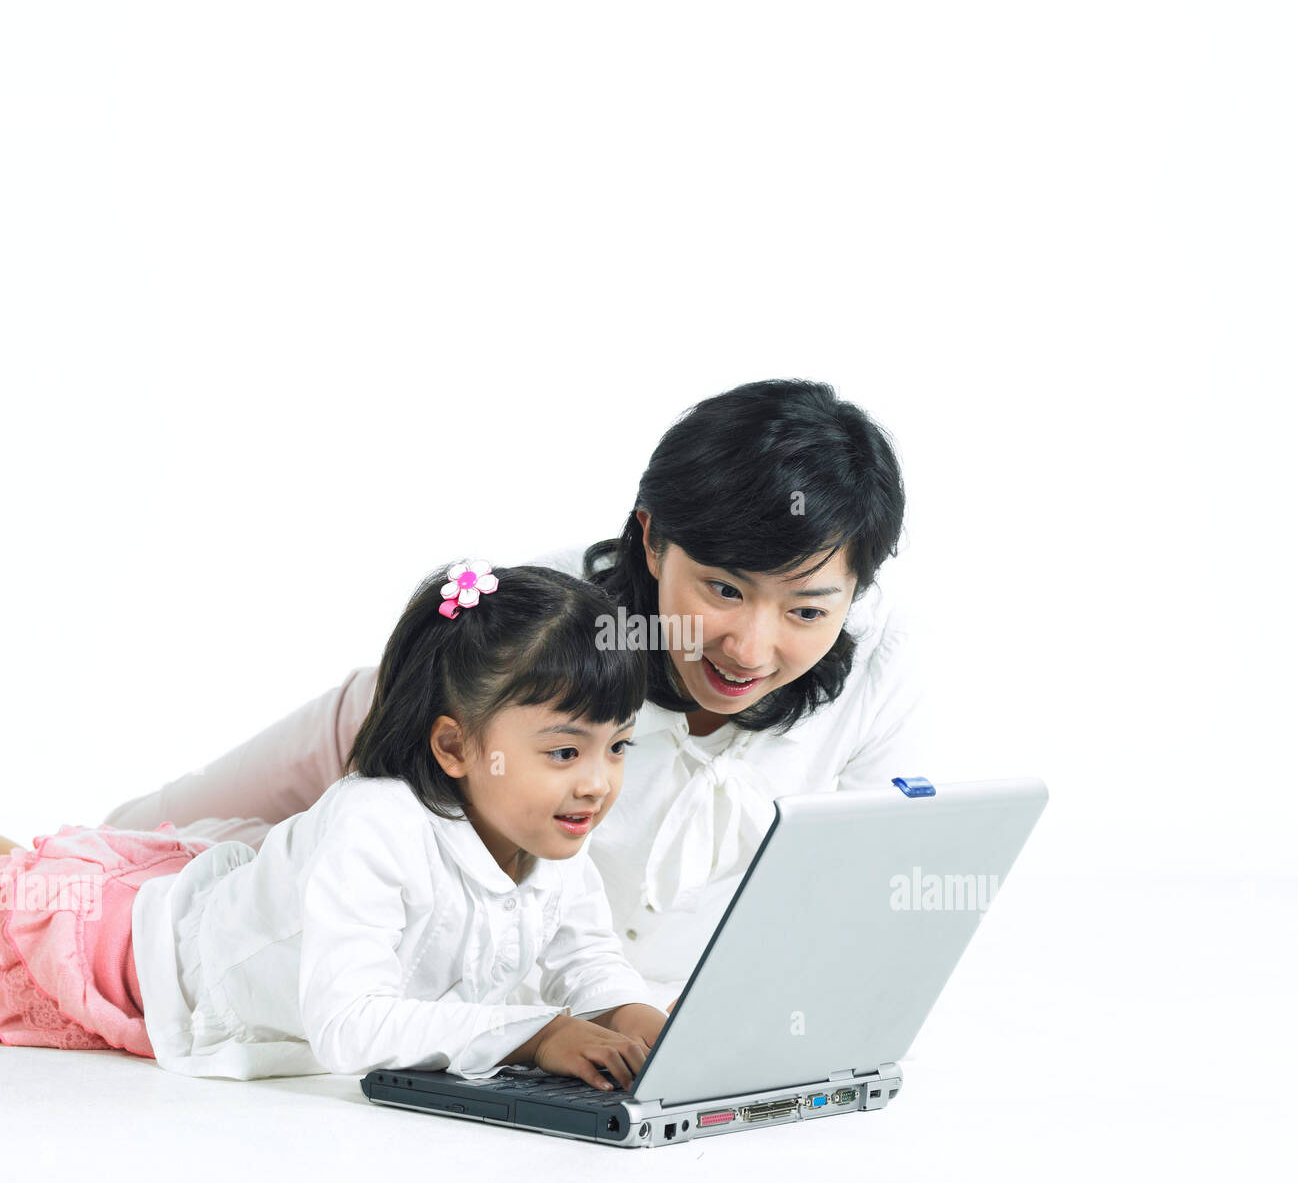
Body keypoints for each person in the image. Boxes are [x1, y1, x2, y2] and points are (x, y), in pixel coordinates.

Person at [97, 378, 925, 1000]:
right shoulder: (553, 625)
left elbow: (857, 893)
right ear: (651, 537)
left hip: (619, 1009)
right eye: (723, 590)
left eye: (808, 609)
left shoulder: (880, 665)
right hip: (378, 798)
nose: (751, 647)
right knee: (131, 856)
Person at [0, 561, 666, 1090]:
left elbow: (588, 961)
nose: (598, 782)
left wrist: (646, 1025)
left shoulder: (553, 833)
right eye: (564, 752)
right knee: (22, 892)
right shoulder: (375, 822)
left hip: (224, 902)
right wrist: (541, 1035)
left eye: (619, 747)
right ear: (456, 747)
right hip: (127, 953)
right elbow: (348, 1024)